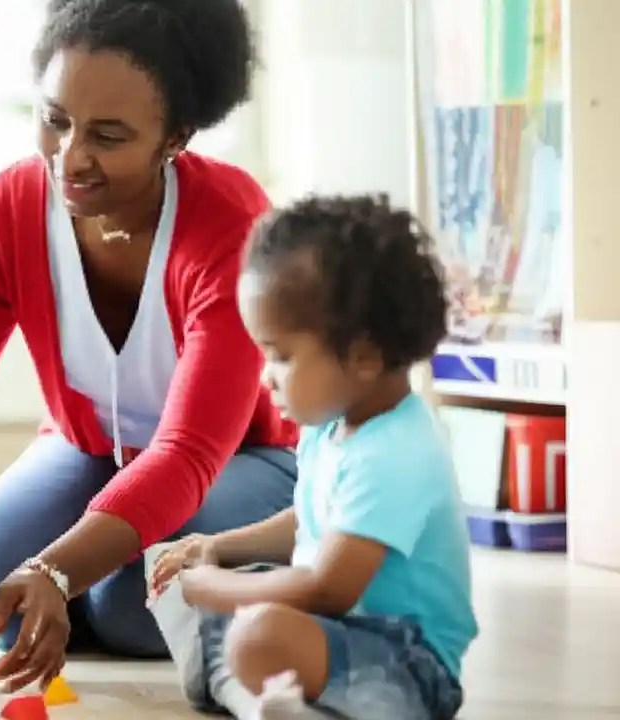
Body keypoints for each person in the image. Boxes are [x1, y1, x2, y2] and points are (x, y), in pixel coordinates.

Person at [0, 0, 297, 690]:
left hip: (244, 459)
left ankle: (294, 564)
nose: (71, 157)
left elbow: (188, 453)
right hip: (94, 449)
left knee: (130, 605)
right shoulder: (10, 211)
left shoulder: (230, 225)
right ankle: (109, 587)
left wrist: (56, 568)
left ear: (175, 137)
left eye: (109, 136)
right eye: (55, 120)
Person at [148, 195, 477, 720]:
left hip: (408, 665)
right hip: (338, 634)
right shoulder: (331, 425)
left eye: (280, 356)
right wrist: (216, 549)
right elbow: (312, 519)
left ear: (364, 356)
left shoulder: (396, 452)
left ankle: (245, 688)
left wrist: (216, 587)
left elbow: (328, 588)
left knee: (255, 628)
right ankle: (258, 695)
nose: (265, 376)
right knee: (174, 574)